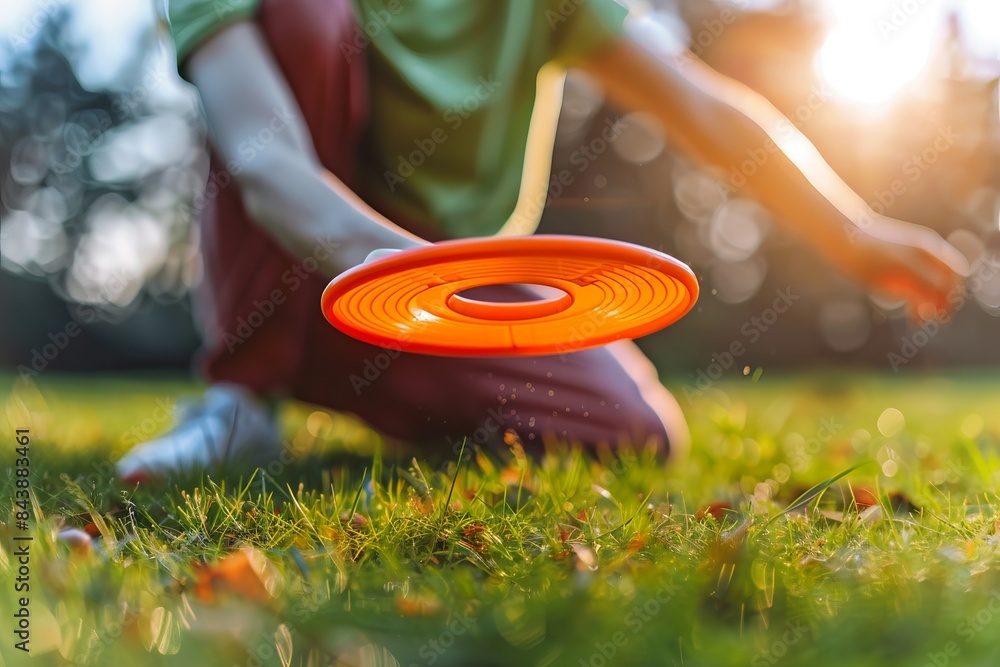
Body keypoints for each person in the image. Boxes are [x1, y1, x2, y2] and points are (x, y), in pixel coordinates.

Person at [116, 0, 966, 483]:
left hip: (447, 307)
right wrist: (390, 266)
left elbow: (702, 105)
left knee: (634, 430)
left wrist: (851, 230)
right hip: (307, 269)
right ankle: (242, 403)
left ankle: (384, 397)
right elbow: (263, 162)